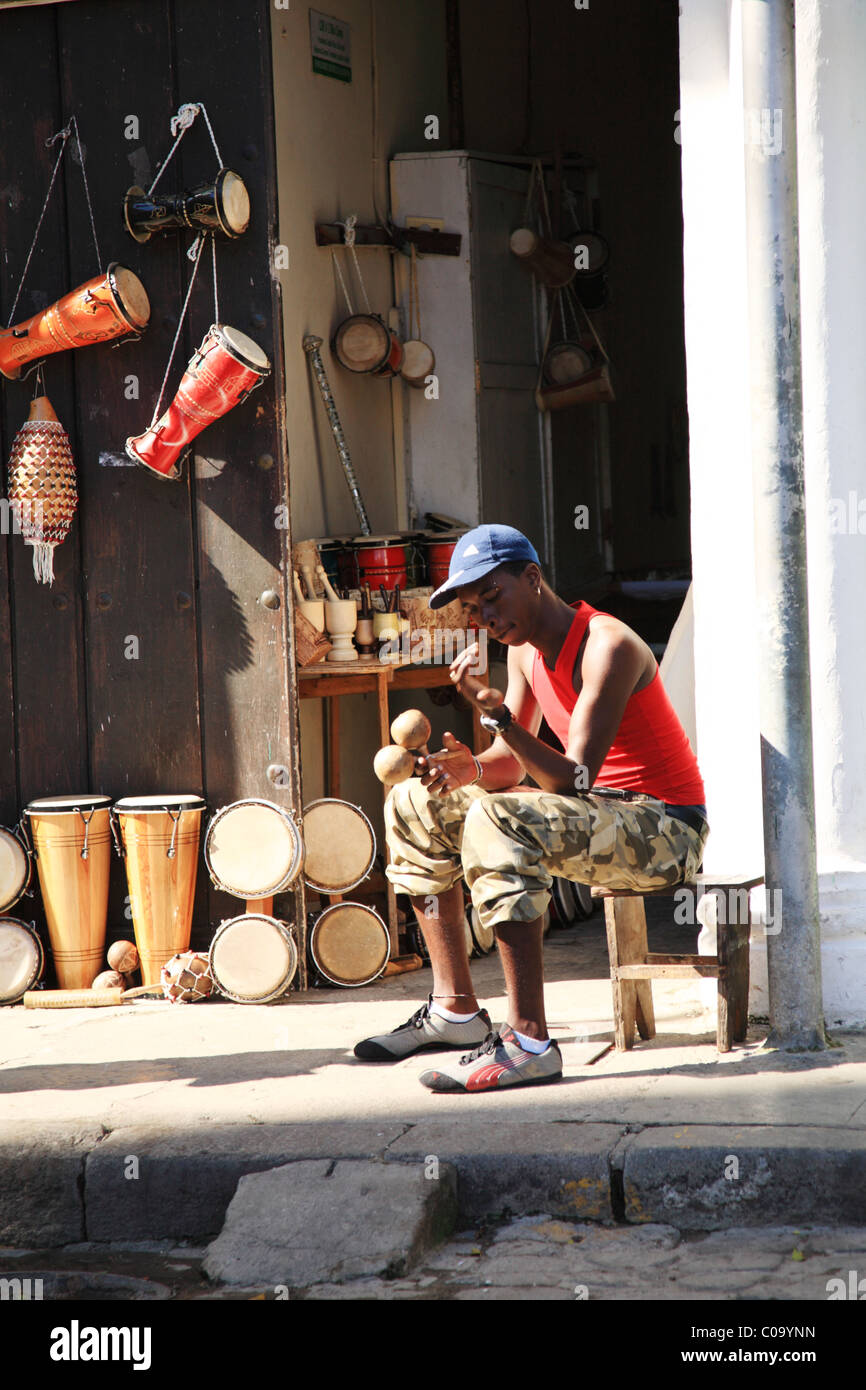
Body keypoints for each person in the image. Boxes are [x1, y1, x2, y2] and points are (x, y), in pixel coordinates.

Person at [354, 524, 708, 1093]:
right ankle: (457, 1012)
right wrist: (464, 767)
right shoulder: (521, 652)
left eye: (491, 597)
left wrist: (501, 722)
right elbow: (511, 764)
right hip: (596, 815)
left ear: (533, 577)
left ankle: (528, 1042)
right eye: (474, 609)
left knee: (500, 819)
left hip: (664, 828)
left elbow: (573, 778)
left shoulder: (607, 645)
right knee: (414, 802)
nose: (486, 618)